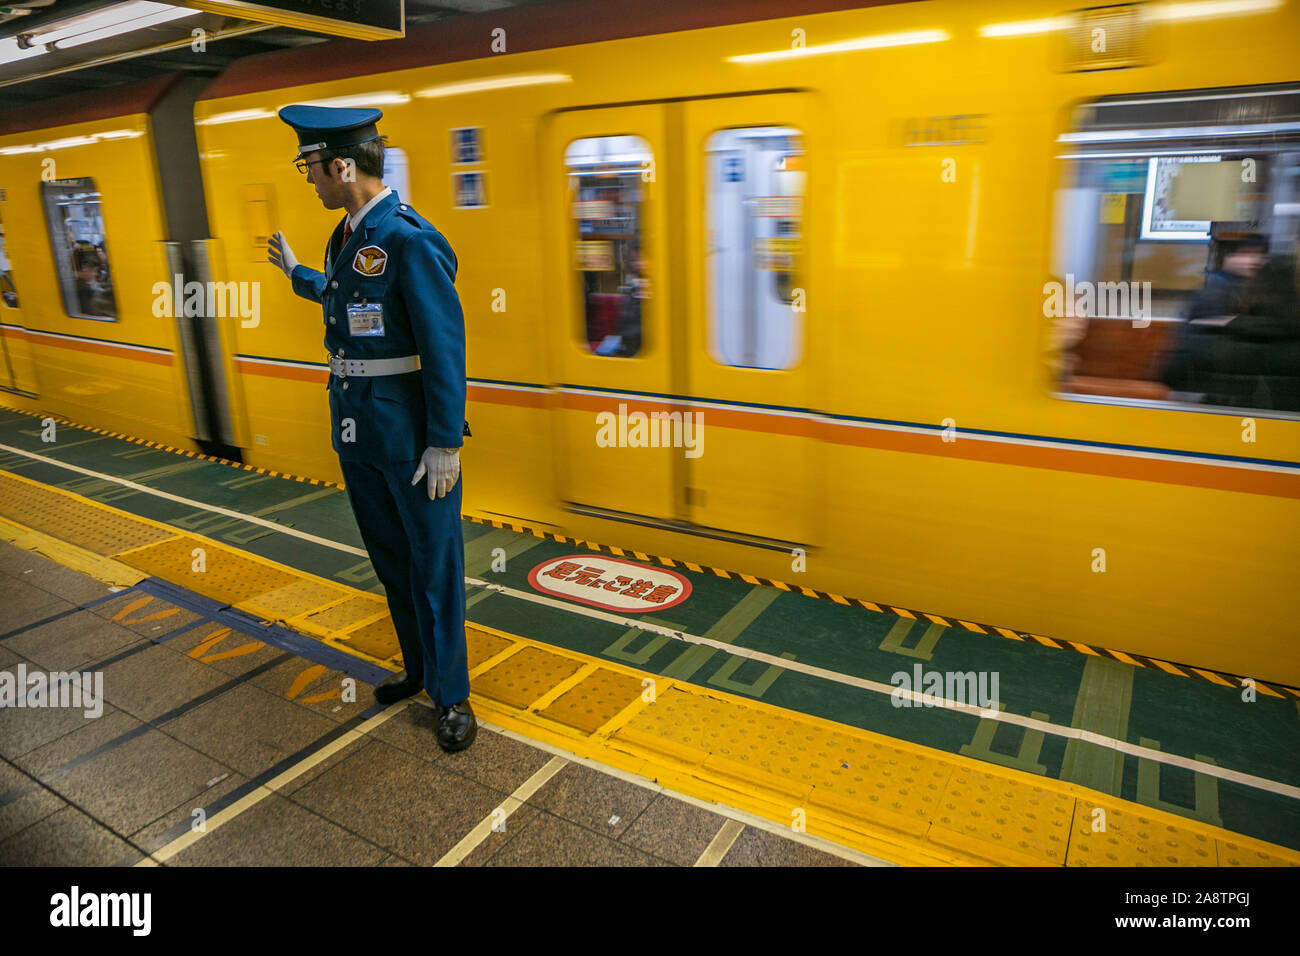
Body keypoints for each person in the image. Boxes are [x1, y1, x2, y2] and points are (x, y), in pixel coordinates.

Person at [266, 105, 476, 751]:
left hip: (411, 435)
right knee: (391, 561)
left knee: (433, 565)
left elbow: (444, 346)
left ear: (342, 165)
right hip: (359, 428)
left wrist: (444, 442)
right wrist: (296, 272)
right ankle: (417, 669)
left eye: (311, 166)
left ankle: (452, 697)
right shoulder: (346, 236)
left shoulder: (411, 238)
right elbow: (342, 296)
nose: (309, 180)